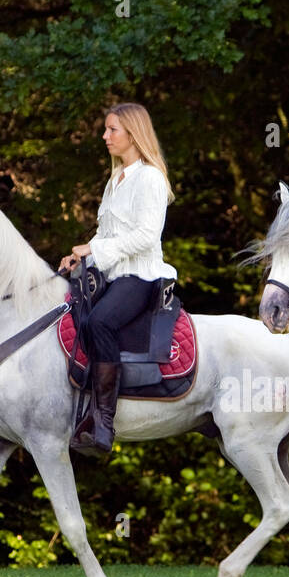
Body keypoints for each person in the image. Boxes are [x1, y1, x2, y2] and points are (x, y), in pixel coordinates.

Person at [60, 103, 177, 453]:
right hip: (111, 272)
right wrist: (81, 255)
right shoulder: (116, 179)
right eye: (106, 129)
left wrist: (93, 250)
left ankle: (104, 422)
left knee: (100, 323)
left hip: (140, 275)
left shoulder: (151, 178)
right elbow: (106, 231)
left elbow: (145, 237)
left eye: (112, 130)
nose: (105, 136)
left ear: (133, 133)